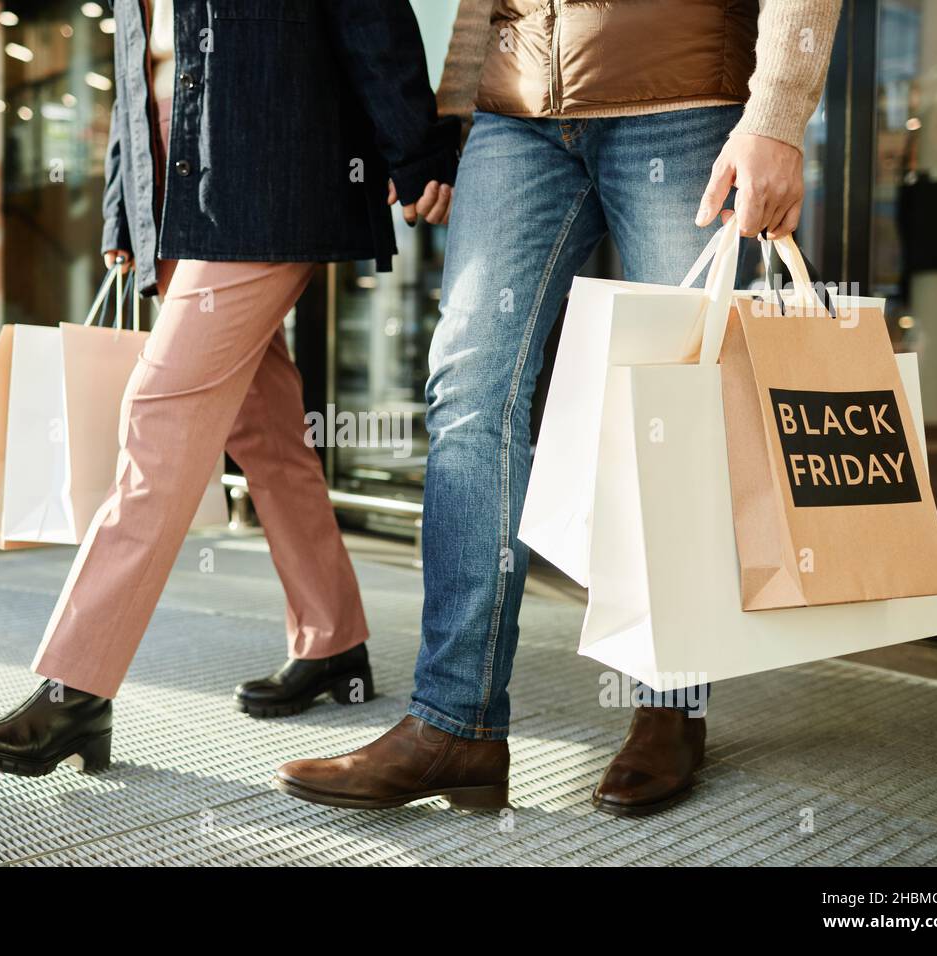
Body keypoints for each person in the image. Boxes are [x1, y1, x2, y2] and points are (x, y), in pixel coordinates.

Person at [276, 0, 842, 815]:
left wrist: (778, 115)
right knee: (469, 392)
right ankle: (455, 724)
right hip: (516, 113)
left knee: (675, 400)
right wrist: (448, 111)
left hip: (680, 97)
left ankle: (670, 702)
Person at [0, 0, 459, 776]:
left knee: (157, 419)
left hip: (262, 184)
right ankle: (333, 642)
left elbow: (365, 12)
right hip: (174, 199)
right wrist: (124, 206)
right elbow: (135, 66)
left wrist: (415, 149)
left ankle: (76, 687)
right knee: (266, 432)